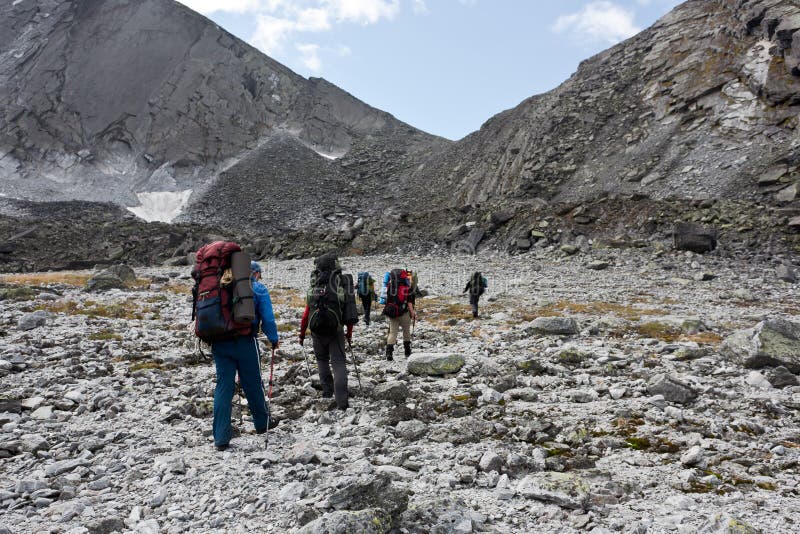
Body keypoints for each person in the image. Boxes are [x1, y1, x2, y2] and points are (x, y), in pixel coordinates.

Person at [211, 261, 279, 451]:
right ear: (255, 273)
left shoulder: (219, 285)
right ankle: (261, 422)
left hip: (219, 342)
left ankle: (220, 437)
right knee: (252, 382)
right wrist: (273, 339)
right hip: (245, 342)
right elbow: (268, 318)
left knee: (223, 385)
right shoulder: (258, 288)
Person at [299, 254, 357, 411]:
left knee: (322, 361)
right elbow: (348, 314)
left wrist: (302, 333)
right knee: (338, 363)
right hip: (335, 330)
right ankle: (342, 402)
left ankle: (327, 392)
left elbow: (306, 313)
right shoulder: (340, 284)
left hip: (316, 330)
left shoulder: (314, 284)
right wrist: (348, 333)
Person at [383, 269, 416, 361]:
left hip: (392, 313)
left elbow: (387, 300)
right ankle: (407, 351)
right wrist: (413, 314)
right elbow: (409, 302)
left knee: (392, 333)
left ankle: (389, 353)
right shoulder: (407, 287)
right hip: (404, 313)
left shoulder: (390, 286)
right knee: (406, 331)